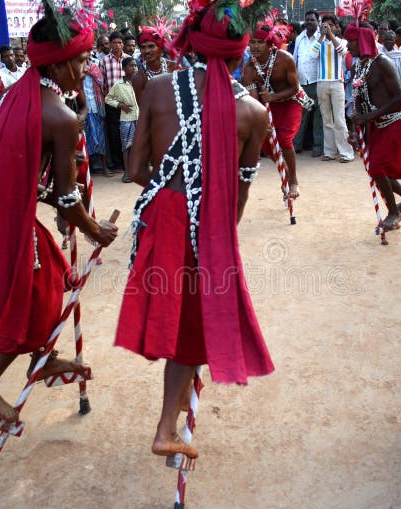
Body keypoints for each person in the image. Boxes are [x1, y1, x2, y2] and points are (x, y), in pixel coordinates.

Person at [0, 3, 118, 423]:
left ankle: (42, 359)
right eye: (82, 60)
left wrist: (59, 202)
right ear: (60, 64)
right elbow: (67, 197)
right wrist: (94, 228)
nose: (86, 68)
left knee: (52, 278)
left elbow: (22, 174)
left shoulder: (18, 93)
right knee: (40, 294)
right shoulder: (60, 115)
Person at [116, 0, 274, 459]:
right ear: (239, 51)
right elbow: (239, 194)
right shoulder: (253, 112)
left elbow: (134, 169)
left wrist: (170, 195)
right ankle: (166, 429)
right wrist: (216, 233)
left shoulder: (157, 88)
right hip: (208, 224)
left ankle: (180, 397)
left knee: (183, 318)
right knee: (191, 327)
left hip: (159, 216)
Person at [345, 22, 401, 232]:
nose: (348, 46)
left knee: (377, 168)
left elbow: (398, 98)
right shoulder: (357, 66)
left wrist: (368, 116)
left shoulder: (383, 62)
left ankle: (394, 212)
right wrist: (354, 130)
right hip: (376, 122)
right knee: (376, 169)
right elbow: (357, 101)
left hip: (396, 120)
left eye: (352, 42)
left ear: (363, 42)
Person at [242, 18, 303, 198]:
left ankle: (293, 181)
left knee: (283, 139)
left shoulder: (285, 59)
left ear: (270, 44)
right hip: (267, 106)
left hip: (291, 101)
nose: (255, 46)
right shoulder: (249, 68)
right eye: (252, 42)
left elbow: (295, 88)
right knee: (267, 144)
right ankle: (284, 173)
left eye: (260, 42)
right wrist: (261, 121)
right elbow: (253, 99)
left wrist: (274, 96)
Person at [312, 14, 354, 163]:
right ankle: (329, 152)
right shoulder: (319, 41)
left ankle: (346, 153)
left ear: (336, 27)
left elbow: (343, 52)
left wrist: (330, 35)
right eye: (325, 25)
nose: (327, 27)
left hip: (337, 82)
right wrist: (322, 37)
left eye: (330, 25)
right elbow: (313, 54)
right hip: (322, 82)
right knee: (326, 119)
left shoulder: (342, 41)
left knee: (339, 119)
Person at [293, 10, 323, 157]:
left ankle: (318, 147)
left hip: (317, 81)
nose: (309, 22)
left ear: (318, 22)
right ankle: (296, 145)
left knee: (318, 116)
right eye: (308, 20)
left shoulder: (322, 37)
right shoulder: (300, 38)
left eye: (312, 20)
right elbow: (295, 59)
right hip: (302, 82)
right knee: (301, 115)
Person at [105, 56, 139, 182]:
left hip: (140, 117)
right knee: (126, 146)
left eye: (135, 65)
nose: (134, 68)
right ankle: (127, 172)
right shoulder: (118, 84)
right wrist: (120, 105)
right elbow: (108, 99)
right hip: (126, 119)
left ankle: (138, 171)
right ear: (124, 68)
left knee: (140, 145)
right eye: (131, 66)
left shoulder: (140, 81)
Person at [101, 31, 130, 171]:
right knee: (114, 133)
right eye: (114, 43)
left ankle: (128, 163)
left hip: (128, 103)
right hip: (112, 104)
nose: (117, 45)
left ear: (123, 44)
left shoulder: (129, 60)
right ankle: (118, 163)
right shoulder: (104, 61)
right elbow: (101, 83)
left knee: (128, 132)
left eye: (120, 42)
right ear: (110, 44)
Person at [132, 16, 178, 103]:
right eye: (143, 47)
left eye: (151, 46)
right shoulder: (138, 78)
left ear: (160, 47)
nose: (147, 51)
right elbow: (142, 108)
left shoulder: (174, 67)